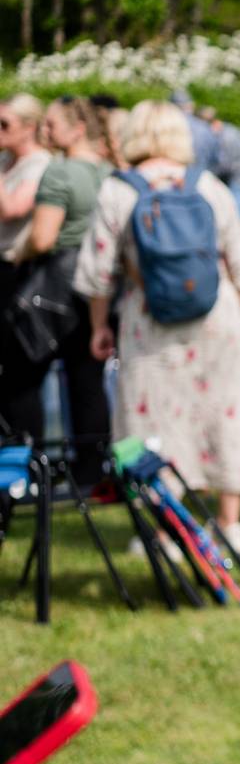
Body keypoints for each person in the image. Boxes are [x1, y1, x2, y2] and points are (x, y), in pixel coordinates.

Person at [72, 101, 240, 550]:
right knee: (226, 412)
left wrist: (100, 325)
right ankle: (230, 525)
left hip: (150, 323)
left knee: (154, 421)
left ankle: (164, 533)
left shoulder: (120, 191)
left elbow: (98, 273)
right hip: (218, 317)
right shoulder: (210, 186)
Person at [0, 97, 115, 480]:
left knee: (22, 379)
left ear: (77, 129)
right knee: (87, 381)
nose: (44, 132)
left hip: (52, 289)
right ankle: (90, 471)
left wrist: (20, 251)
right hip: (96, 289)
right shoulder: (106, 171)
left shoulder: (59, 173)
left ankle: (26, 470)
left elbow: (45, 237)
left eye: (50, 124)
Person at [0, 94, 54, 272]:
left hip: (12, 265)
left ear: (29, 128)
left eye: (4, 124)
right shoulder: (5, 158)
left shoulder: (40, 164)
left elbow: (12, 210)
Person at [199, 105, 240, 218]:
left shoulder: (227, 137)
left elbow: (224, 165)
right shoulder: (227, 132)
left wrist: (204, 174)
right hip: (236, 182)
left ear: (215, 122)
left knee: (232, 220)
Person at [167, 87, 221, 180]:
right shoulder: (205, 127)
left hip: (175, 180)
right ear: (191, 105)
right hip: (202, 179)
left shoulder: (166, 127)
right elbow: (215, 158)